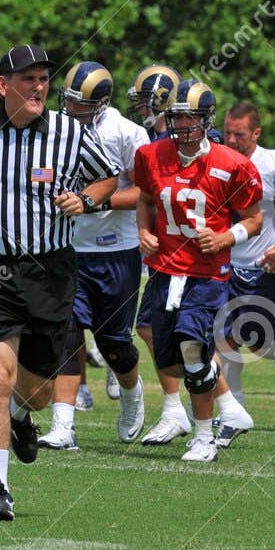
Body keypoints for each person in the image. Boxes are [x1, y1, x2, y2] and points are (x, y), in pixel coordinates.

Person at [0, 45, 118, 521]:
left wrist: (85, 199)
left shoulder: (68, 131)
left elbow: (108, 180)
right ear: (4, 86)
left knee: (33, 392)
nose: (39, 87)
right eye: (29, 78)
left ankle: (22, 419)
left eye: (43, 79)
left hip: (48, 272)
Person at [133, 80, 263, 463]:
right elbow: (144, 199)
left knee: (193, 347)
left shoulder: (232, 163)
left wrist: (226, 238)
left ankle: (205, 437)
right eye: (176, 116)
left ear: (206, 118)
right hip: (163, 269)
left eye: (190, 117)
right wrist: (143, 230)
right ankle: (229, 410)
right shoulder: (151, 154)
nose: (183, 124)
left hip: (207, 272)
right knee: (171, 358)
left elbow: (254, 219)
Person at [42, 61, 147, 448]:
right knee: (66, 335)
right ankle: (63, 426)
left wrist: (95, 203)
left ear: (101, 104)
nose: (71, 110)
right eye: (67, 102)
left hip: (114, 250)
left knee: (114, 343)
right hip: (67, 248)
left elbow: (145, 192)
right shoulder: (54, 127)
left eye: (80, 104)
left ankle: (133, 397)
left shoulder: (127, 133)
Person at [216, 101, 275, 416]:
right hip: (225, 262)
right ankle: (233, 410)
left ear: (256, 133)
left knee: (258, 341)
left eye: (240, 134)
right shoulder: (217, 160)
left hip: (266, 264)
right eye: (228, 133)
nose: (232, 140)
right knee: (223, 339)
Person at [125, 63, 190, 443]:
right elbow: (148, 197)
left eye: (146, 101)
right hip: (166, 251)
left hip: (190, 252)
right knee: (154, 327)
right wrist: (145, 230)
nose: (141, 108)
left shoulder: (183, 140)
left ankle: (219, 409)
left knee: (184, 333)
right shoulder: (154, 142)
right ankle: (179, 409)